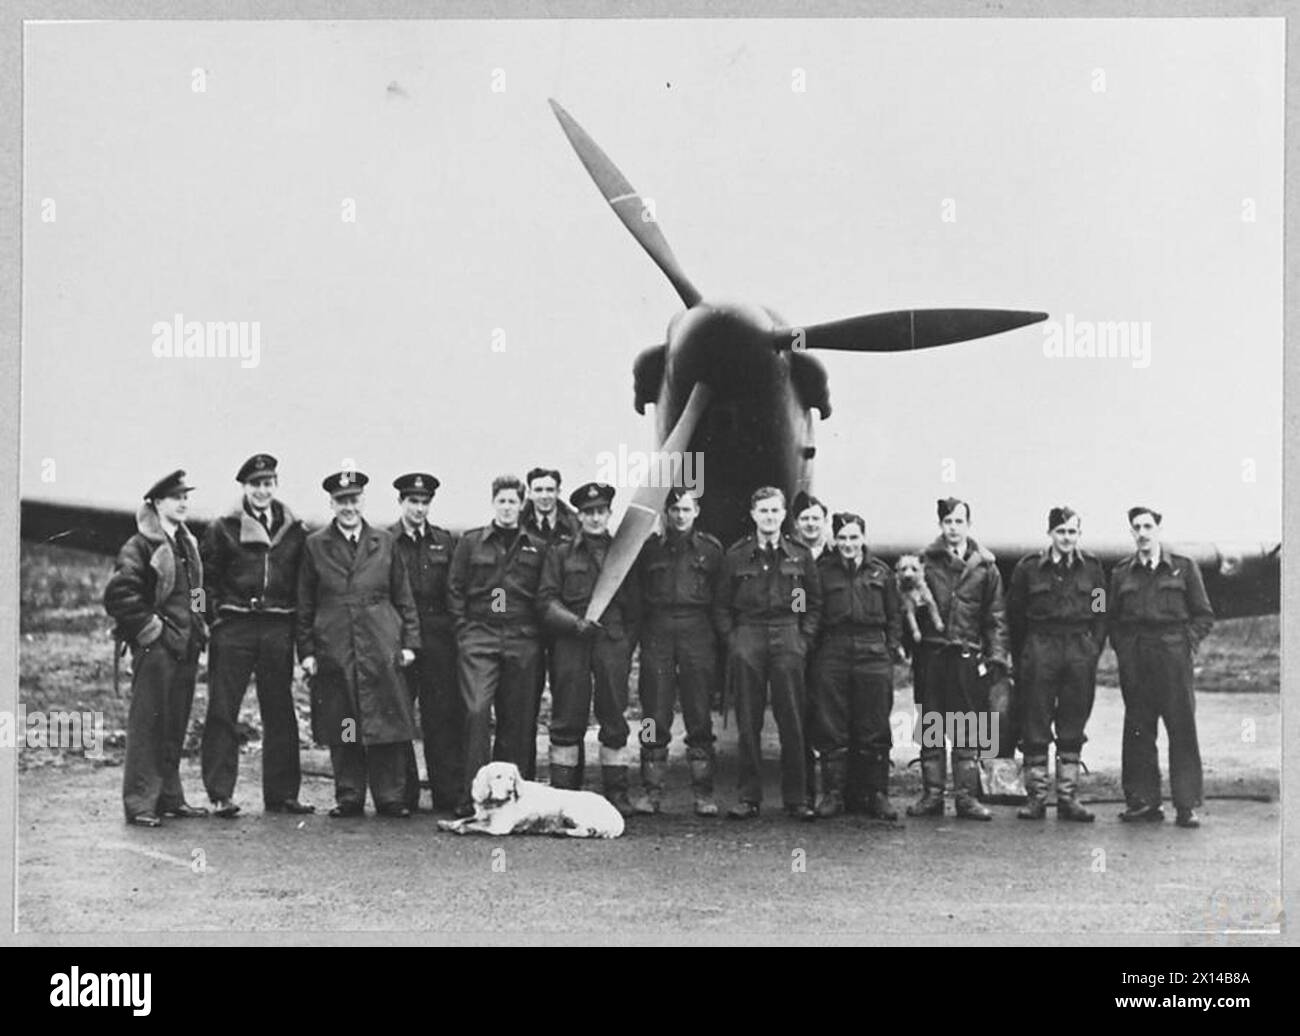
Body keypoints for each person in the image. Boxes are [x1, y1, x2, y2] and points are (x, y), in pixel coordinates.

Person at [296, 470, 420, 818]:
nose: (348, 507)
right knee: (345, 719)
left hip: (381, 640)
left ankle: (389, 796)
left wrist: (410, 642)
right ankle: (349, 795)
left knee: (385, 719)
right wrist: (306, 651)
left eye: (354, 500)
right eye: (341, 501)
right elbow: (305, 603)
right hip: (336, 643)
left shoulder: (384, 541)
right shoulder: (315, 545)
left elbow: (404, 596)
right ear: (332, 504)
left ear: (363, 501)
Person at [199, 453, 312, 818]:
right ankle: (220, 794)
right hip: (235, 627)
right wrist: (213, 617)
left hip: (278, 627)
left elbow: (302, 582)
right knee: (223, 709)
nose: (262, 491)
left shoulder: (293, 529)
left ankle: (282, 795)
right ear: (244, 488)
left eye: (268, 484)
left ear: (275, 486)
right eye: (255, 485)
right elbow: (201, 583)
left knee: (280, 710)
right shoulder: (222, 528)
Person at [103, 470, 209, 827]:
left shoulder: (186, 544)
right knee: (148, 725)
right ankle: (139, 804)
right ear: (156, 503)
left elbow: (196, 591)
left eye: (185, 497)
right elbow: (119, 594)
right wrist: (152, 631)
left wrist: (199, 624)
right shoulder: (140, 544)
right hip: (158, 649)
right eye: (174, 497)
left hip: (185, 646)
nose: (182, 503)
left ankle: (169, 797)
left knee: (174, 724)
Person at [713, 486, 822, 820]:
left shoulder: (798, 555)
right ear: (753, 515)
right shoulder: (737, 555)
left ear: (784, 513)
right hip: (749, 635)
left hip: (788, 635)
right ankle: (749, 797)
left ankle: (796, 798)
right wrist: (735, 641)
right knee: (749, 721)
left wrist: (802, 639)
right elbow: (721, 605)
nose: (770, 517)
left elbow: (809, 602)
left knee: (792, 719)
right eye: (763, 512)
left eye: (775, 511)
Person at [538, 482, 642, 815]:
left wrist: (624, 645)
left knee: (613, 716)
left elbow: (638, 607)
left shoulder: (623, 554)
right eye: (588, 512)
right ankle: (564, 796)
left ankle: (617, 794)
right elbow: (545, 600)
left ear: (609, 514)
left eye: (600, 512)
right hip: (572, 643)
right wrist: (573, 624)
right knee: (567, 717)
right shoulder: (561, 553)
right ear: (579, 516)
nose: (595, 518)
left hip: (611, 644)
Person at [1108, 506, 1214, 828]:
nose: (1142, 532)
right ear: (1131, 532)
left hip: (1173, 658)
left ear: (1158, 529)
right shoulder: (1119, 574)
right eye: (1136, 527)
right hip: (1137, 659)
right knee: (1138, 730)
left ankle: (1186, 805)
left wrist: (1186, 644)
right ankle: (1143, 802)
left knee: (1181, 729)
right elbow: (1108, 614)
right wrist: (1124, 651)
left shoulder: (1184, 568)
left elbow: (1204, 615)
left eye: (1147, 526)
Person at [448, 475, 548, 817]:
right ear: (493, 503)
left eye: (513, 501)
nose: (507, 508)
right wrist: (464, 631)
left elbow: (543, 595)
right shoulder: (471, 542)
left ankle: (514, 802)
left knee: (517, 719)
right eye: (501, 501)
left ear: (523, 504)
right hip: (480, 634)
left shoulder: (537, 546)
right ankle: (472, 796)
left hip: (521, 636)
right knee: (476, 712)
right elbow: (455, 589)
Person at [906, 497, 1010, 821]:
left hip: (966, 655)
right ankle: (932, 795)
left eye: (959, 521)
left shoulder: (986, 566)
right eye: (948, 522)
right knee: (933, 725)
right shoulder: (924, 561)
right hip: (933, 654)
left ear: (969, 524)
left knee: (968, 727)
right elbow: (907, 607)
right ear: (940, 525)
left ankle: (967, 797)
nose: (953, 528)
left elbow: (995, 618)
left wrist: (996, 658)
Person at [1006, 506, 1107, 822]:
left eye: (1072, 532)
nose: (1067, 538)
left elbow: (1101, 611)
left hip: (1078, 647)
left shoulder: (1093, 569)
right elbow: (1014, 614)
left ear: (1079, 534)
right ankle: (1036, 797)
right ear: (1049, 533)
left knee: (1074, 719)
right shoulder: (1029, 568)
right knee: (1035, 720)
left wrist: (1092, 650)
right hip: (1040, 646)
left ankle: (1068, 797)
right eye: (1061, 531)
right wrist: (1025, 654)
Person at [631, 487, 724, 816]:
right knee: (653, 713)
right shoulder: (649, 550)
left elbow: (721, 599)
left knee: (699, 714)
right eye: (674, 510)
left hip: (697, 631)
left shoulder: (711, 551)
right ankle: (651, 791)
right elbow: (638, 597)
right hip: (657, 632)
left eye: (686, 509)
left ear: (696, 511)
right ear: (666, 513)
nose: (680, 516)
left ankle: (703, 793)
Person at [810, 512, 903, 819]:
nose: (848, 544)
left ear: (863, 537)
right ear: (834, 540)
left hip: (872, 651)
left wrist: (887, 650)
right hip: (833, 649)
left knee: (874, 725)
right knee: (831, 723)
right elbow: (810, 610)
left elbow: (895, 617)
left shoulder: (882, 573)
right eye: (843, 538)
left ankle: (876, 794)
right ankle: (834, 794)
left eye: (854, 537)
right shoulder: (821, 572)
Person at [389, 472, 462, 812]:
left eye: (424, 502)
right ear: (400, 503)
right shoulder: (386, 541)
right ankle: (403, 794)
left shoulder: (444, 541)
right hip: (400, 636)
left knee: (441, 715)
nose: (418, 509)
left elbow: (453, 591)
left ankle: (446, 791)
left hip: (438, 639)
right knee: (401, 712)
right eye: (412, 502)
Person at [520, 466, 579, 779]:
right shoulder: (517, 524)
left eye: (550, 490)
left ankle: (568, 782)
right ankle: (523, 777)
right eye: (538, 490)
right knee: (525, 703)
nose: (544, 496)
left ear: (559, 491)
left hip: (563, 626)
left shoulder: (574, 525)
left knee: (568, 700)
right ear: (529, 492)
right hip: (528, 625)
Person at [790, 490, 830, 807]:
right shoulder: (790, 554)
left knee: (834, 718)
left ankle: (837, 791)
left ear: (825, 521)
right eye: (804, 519)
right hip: (801, 645)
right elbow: (798, 601)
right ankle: (803, 791)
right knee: (800, 716)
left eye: (816, 518)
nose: (811, 524)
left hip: (833, 647)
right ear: (796, 523)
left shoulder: (839, 553)